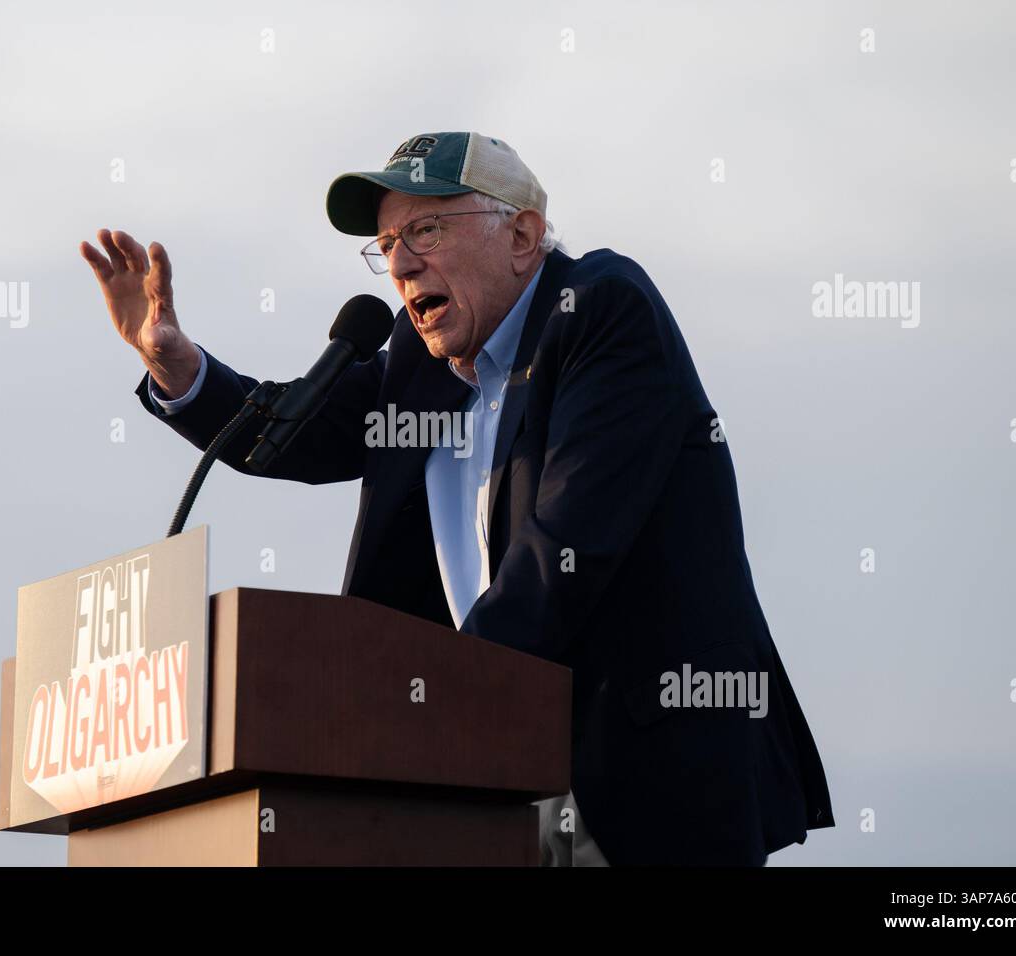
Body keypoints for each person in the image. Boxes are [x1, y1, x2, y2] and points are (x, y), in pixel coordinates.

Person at [79, 131, 835, 865]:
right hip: (489, 784)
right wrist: (179, 369)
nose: (402, 266)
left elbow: (562, 556)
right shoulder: (424, 365)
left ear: (522, 236)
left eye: (427, 229)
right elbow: (292, 432)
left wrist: (416, 705)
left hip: (644, 781)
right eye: (387, 245)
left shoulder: (602, 310)